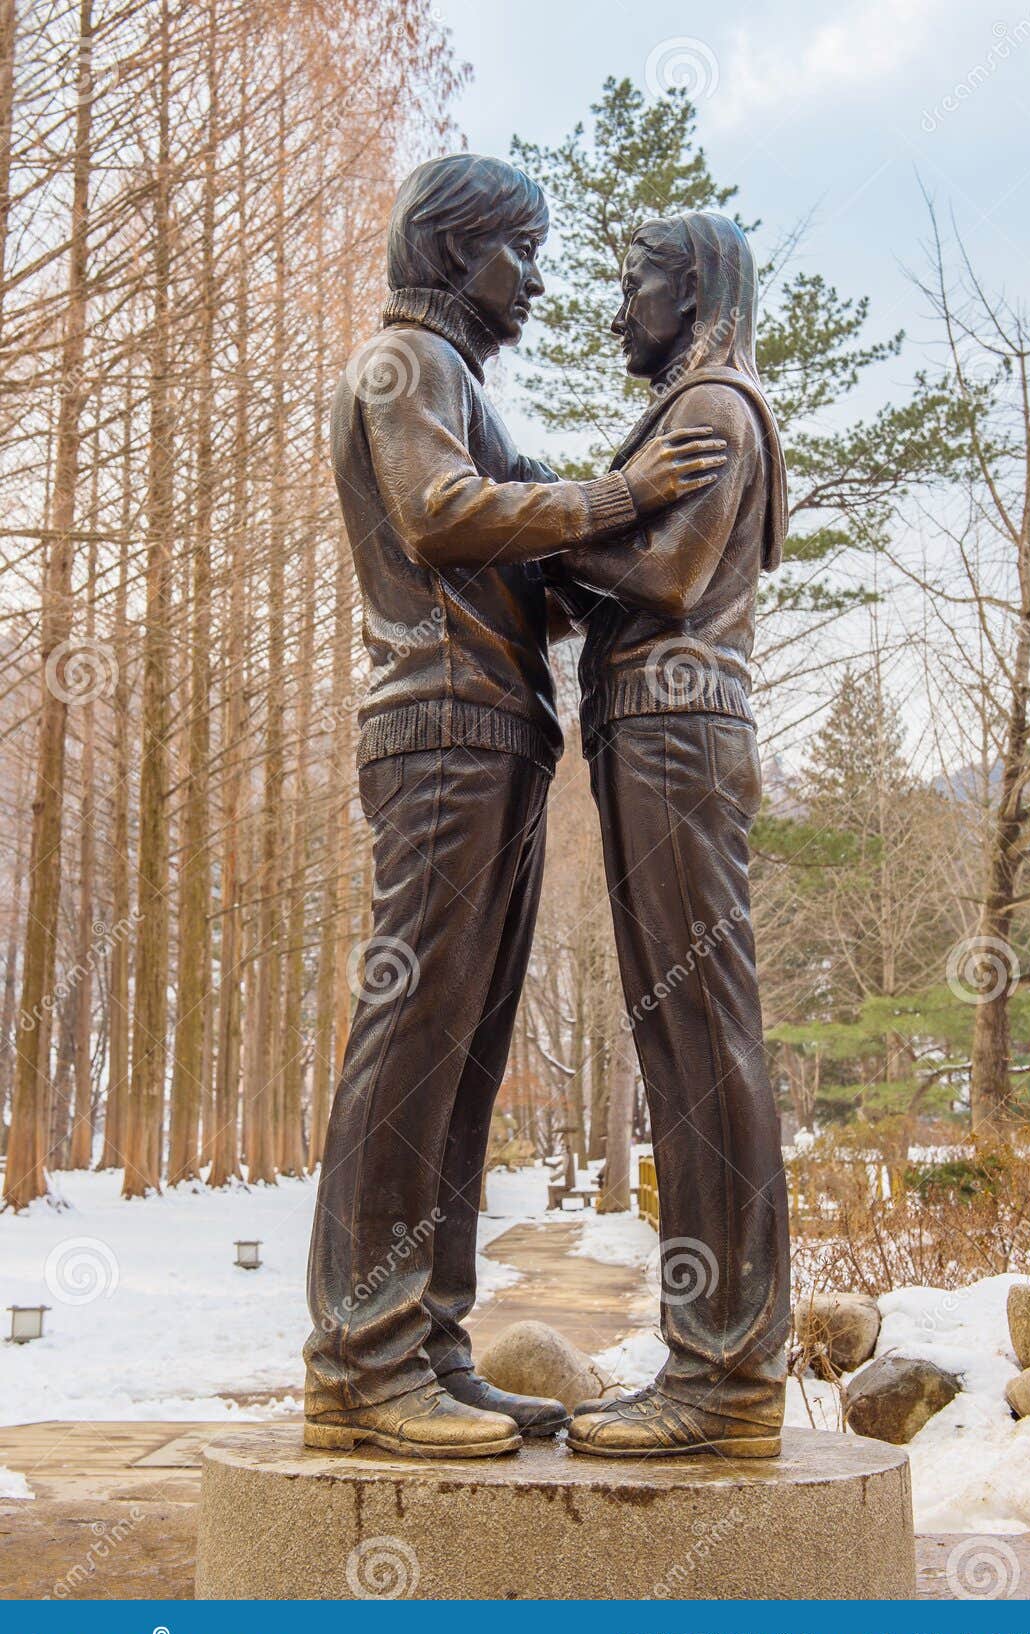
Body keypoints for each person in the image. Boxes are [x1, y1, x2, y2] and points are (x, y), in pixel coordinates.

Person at [303, 156, 725, 1458]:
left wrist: (615, 546)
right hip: (440, 729)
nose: (538, 280)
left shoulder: (459, 384)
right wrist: (623, 496)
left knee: (465, 1051)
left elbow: (524, 549)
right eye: (521, 251)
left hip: (492, 735)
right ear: (453, 247)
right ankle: (361, 1359)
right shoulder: (407, 365)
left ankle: (427, 1341)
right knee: (412, 1038)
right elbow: (443, 515)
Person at [548, 212, 791, 1459]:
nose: (616, 312)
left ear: (691, 288)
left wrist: (544, 528)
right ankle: (714, 1352)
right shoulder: (693, 405)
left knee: (703, 1035)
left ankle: (730, 1369)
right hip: (655, 727)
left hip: (677, 727)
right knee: (680, 1037)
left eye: (634, 283)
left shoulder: (710, 408)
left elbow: (673, 574)